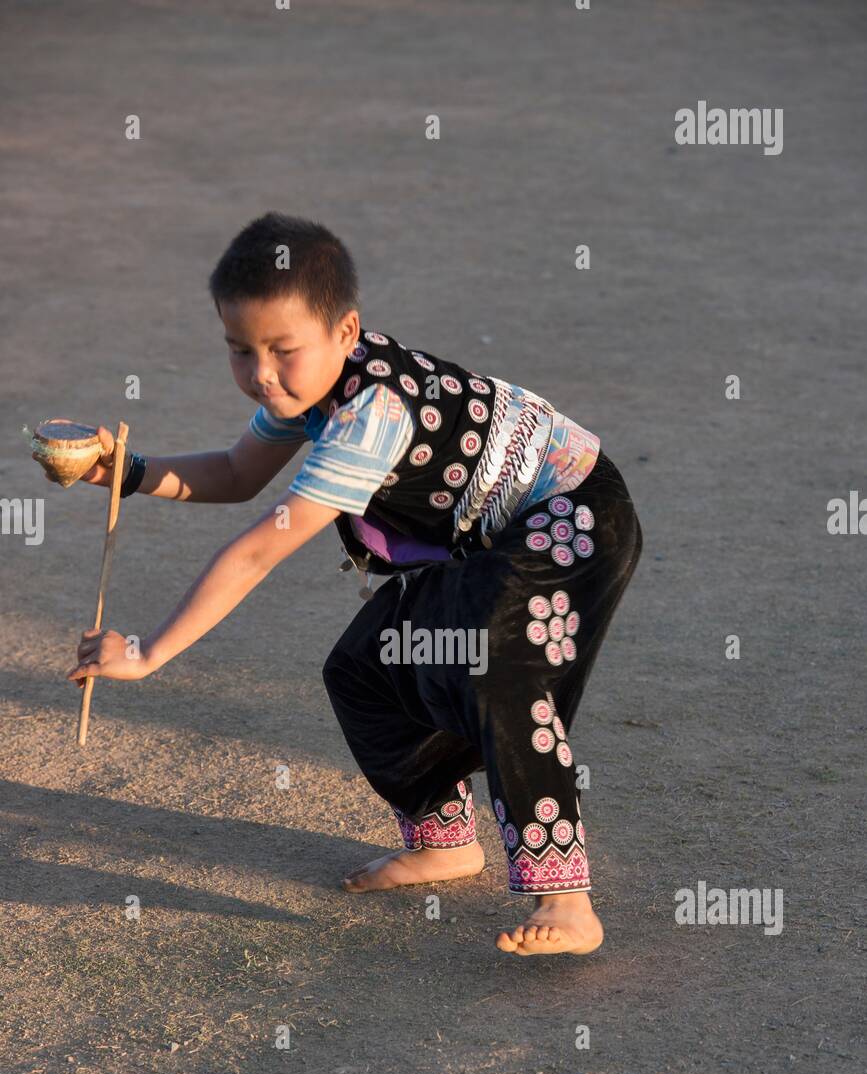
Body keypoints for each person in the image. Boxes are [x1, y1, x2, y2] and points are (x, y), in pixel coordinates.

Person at [61, 213, 642, 958]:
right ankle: (444, 840)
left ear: (346, 331)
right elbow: (237, 475)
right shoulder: (312, 391)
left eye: (281, 350)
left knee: (498, 669)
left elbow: (256, 552)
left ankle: (565, 899)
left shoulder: (371, 416)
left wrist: (147, 652)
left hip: (575, 517)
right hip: (492, 539)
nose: (261, 373)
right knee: (363, 669)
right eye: (240, 350)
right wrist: (132, 473)